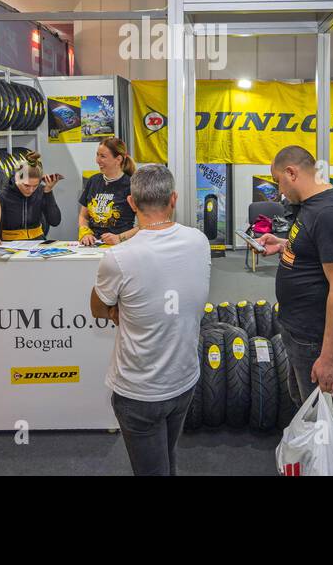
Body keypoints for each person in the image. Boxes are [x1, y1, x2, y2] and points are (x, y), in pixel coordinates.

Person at [90, 164, 210, 476]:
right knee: (168, 458)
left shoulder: (118, 258)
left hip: (138, 391)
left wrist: (122, 312)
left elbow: (99, 309)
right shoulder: (199, 241)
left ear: (131, 203)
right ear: (174, 199)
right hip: (184, 380)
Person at [255, 146, 333, 405]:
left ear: (291, 172)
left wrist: (329, 358)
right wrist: (281, 244)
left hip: (314, 335)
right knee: (305, 404)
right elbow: (312, 250)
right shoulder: (311, 207)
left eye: (278, 182)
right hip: (298, 329)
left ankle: (326, 448)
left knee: (320, 413)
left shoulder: (329, 213)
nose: (279, 191)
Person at [77, 136, 137, 246]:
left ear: (118, 159)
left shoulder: (132, 185)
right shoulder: (93, 181)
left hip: (122, 246)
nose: (97, 160)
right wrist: (85, 233)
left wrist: (120, 238)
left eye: (103, 156)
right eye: (97, 155)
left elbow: (144, 225)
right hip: (94, 246)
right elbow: (83, 216)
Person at [0, 151, 63, 241]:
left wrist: (48, 192)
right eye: (26, 185)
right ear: (17, 178)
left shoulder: (41, 191)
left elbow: (55, 221)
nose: (31, 190)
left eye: (35, 186)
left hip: (37, 242)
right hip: (10, 243)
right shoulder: (3, 195)